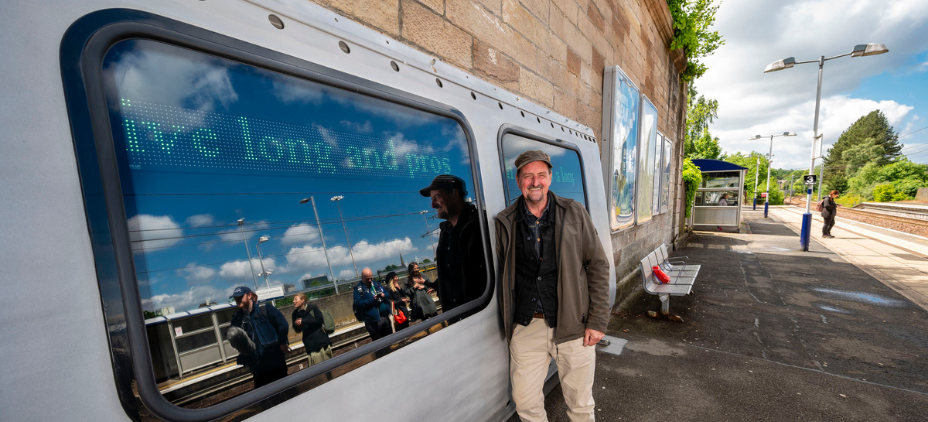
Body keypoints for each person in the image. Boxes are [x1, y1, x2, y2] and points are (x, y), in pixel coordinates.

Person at [495, 150, 610, 422]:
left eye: (541, 175)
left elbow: (597, 265)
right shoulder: (506, 221)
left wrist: (598, 320)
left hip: (573, 326)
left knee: (580, 405)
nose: (535, 182)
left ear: (550, 177)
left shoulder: (574, 212)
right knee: (525, 403)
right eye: (528, 176)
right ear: (518, 180)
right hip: (527, 325)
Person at [419, 174, 487, 313]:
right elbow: (452, 276)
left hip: (481, 315)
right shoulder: (445, 233)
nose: (433, 205)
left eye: (437, 197)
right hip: (456, 318)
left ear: (455, 194)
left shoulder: (481, 224)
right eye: (432, 200)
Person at [229, 286, 291, 388]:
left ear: (249, 295)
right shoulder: (237, 319)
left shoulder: (265, 309)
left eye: (240, 297)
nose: (237, 300)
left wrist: (283, 342)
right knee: (264, 396)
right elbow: (233, 338)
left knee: (284, 390)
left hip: (274, 360)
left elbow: (283, 325)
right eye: (235, 298)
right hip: (256, 365)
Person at [291, 293, 333, 366]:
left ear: (302, 300)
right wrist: (298, 325)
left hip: (321, 342)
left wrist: (303, 321)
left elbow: (319, 320)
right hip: (310, 345)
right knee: (317, 370)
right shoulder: (295, 314)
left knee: (328, 367)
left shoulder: (313, 308)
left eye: (295, 299)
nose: (293, 301)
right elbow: (297, 330)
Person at [353, 268, 391, 341]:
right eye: (367, 279)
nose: (370, 280)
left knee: (390, 340)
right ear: (362, 278)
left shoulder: (376, 284)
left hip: (384, 317)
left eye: (371, 278)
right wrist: (372, 300)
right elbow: (358, 303)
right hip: (372, 321)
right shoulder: (358, 289)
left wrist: (384, 295)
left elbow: (388, 293)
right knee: (379, 343)